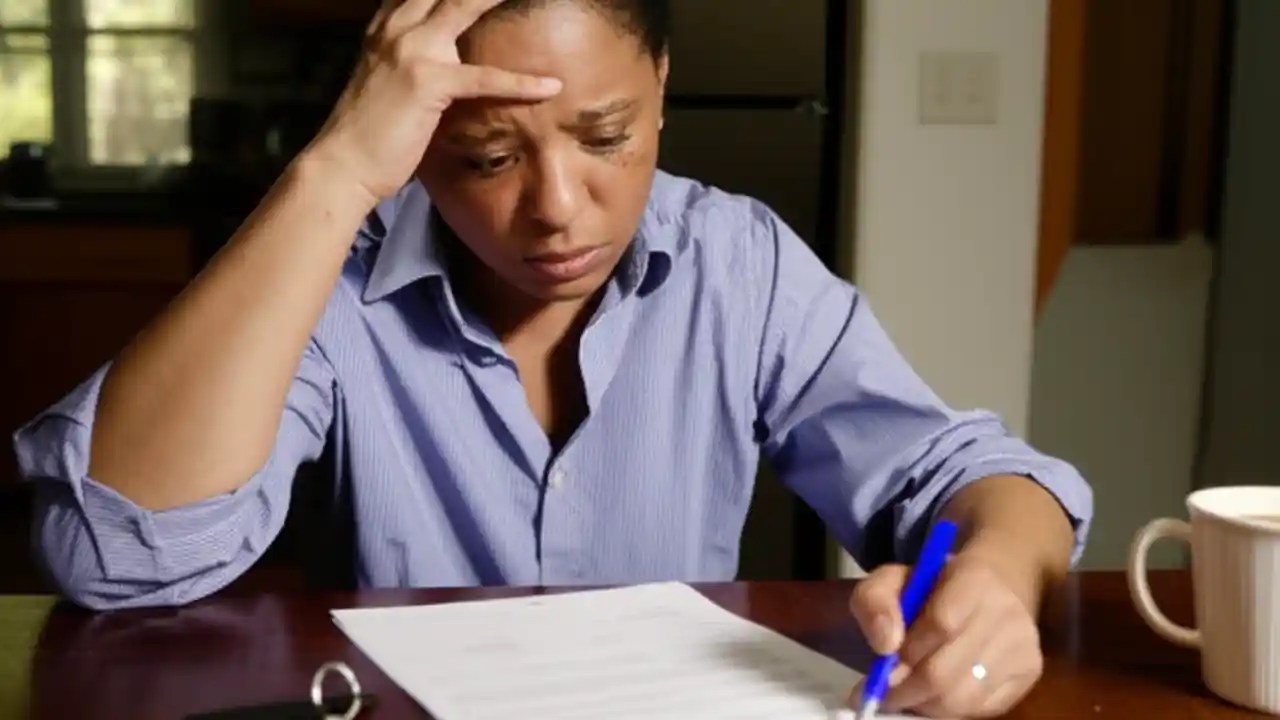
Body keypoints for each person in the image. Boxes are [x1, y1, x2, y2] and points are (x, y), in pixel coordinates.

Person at [12, 0, 1093, 716]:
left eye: (607, 137)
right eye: (485, 156)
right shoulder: (330, 273)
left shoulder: (739, 260)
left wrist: (995, 576)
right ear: (416, 138)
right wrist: (335, 169)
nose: (557, 210)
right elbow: (114, 555)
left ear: (661, 89)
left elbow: (962, 478)